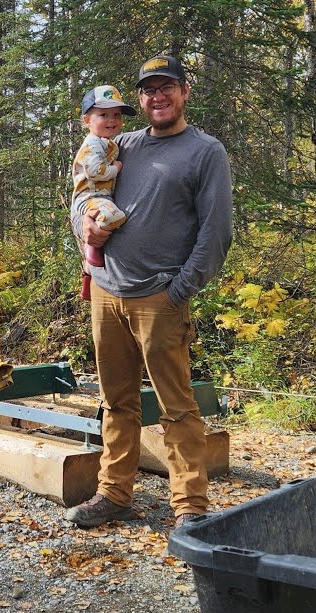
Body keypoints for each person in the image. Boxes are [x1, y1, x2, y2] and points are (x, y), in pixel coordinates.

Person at [64, 55, 234, 529]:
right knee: (116, 402)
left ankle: (191, 508)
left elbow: (216, 233)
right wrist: (86, 229)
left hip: (160, 299)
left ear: (184, 92)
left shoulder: (205, 152)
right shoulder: (121, 146)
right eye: (148, 90)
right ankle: (114, 493)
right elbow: (81, 194)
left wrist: (178, 291)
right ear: (139, 100)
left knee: (177, 407)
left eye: (167, 87)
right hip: (105, 292)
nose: (157, 96)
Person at [72, 85, 135, 299]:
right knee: (115, 216)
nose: (112, 120)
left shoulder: (106, 142)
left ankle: (89, 268)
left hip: (99, 197)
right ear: (87, 120)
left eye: (116, 115)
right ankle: (90, 251)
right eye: (103, 114)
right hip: (90, 197)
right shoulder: (92, 144)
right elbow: (95, 171)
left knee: (112, 217)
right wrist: (115, 169)